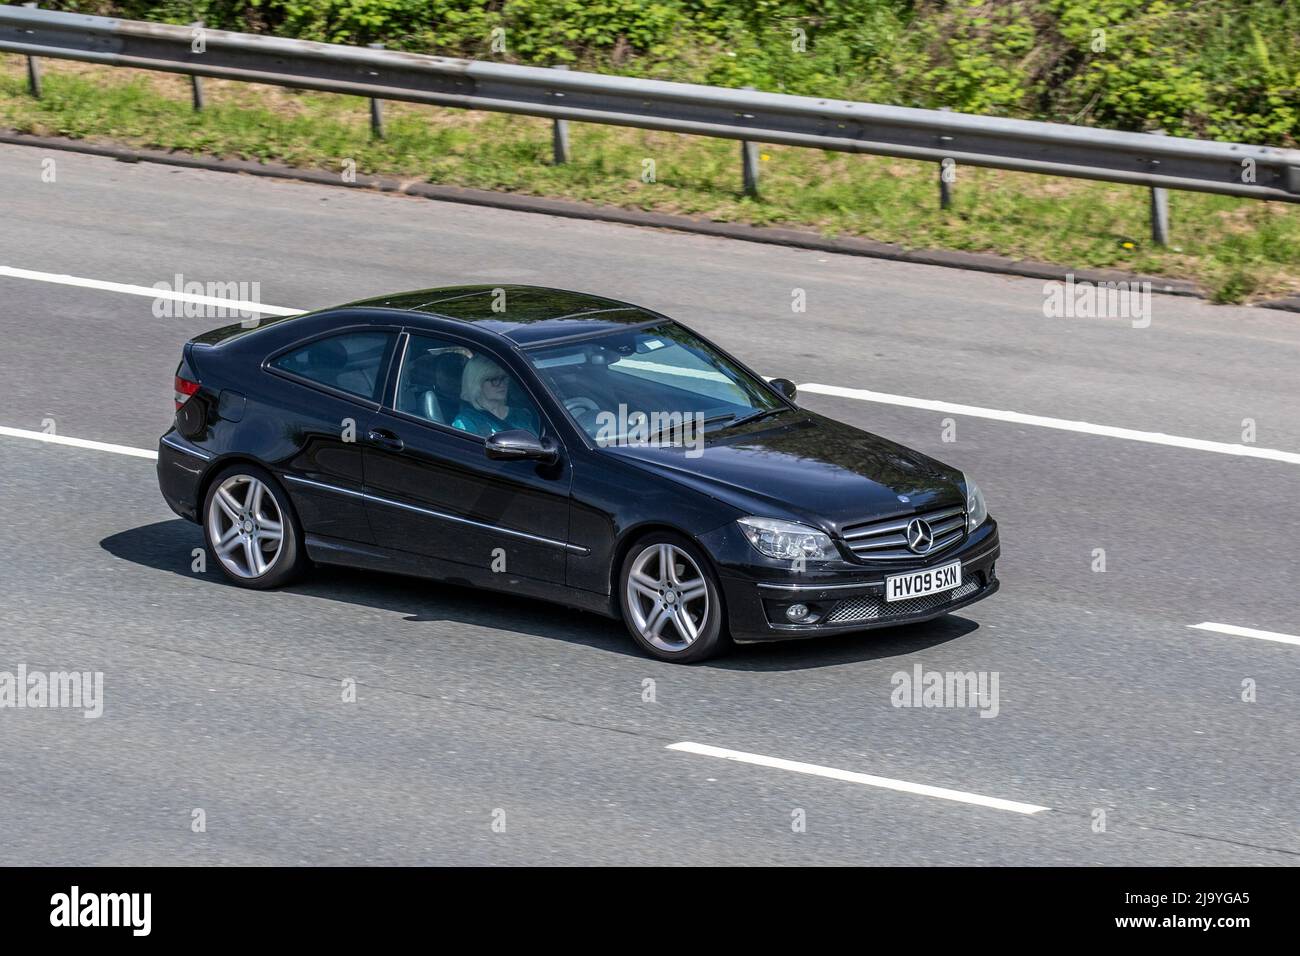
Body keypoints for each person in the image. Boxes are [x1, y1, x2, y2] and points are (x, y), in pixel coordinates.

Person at [452, 354, 539, 437]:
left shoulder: (522, 414)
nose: (502, 384)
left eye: (504, 378)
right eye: (494, 379)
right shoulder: (466, 422)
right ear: (476, 384)